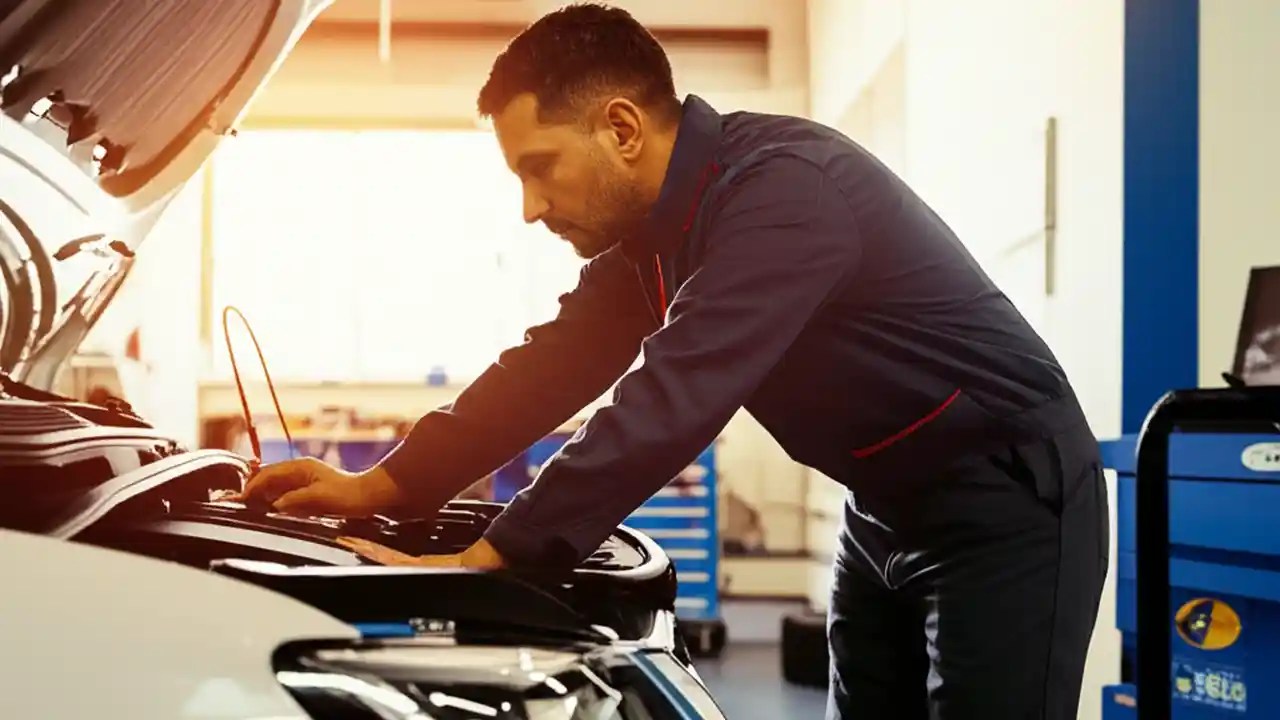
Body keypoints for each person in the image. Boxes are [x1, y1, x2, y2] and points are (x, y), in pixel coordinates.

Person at [239, 3, 1108, 718]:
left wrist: (491, 560)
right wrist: (388, 486)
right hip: (878, 506)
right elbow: (550, 366)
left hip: (1002, 497)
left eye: (540, 167)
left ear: (620, 127)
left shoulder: (783, 191)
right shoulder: (652, 237)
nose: (531, 208)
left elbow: (677, 391)